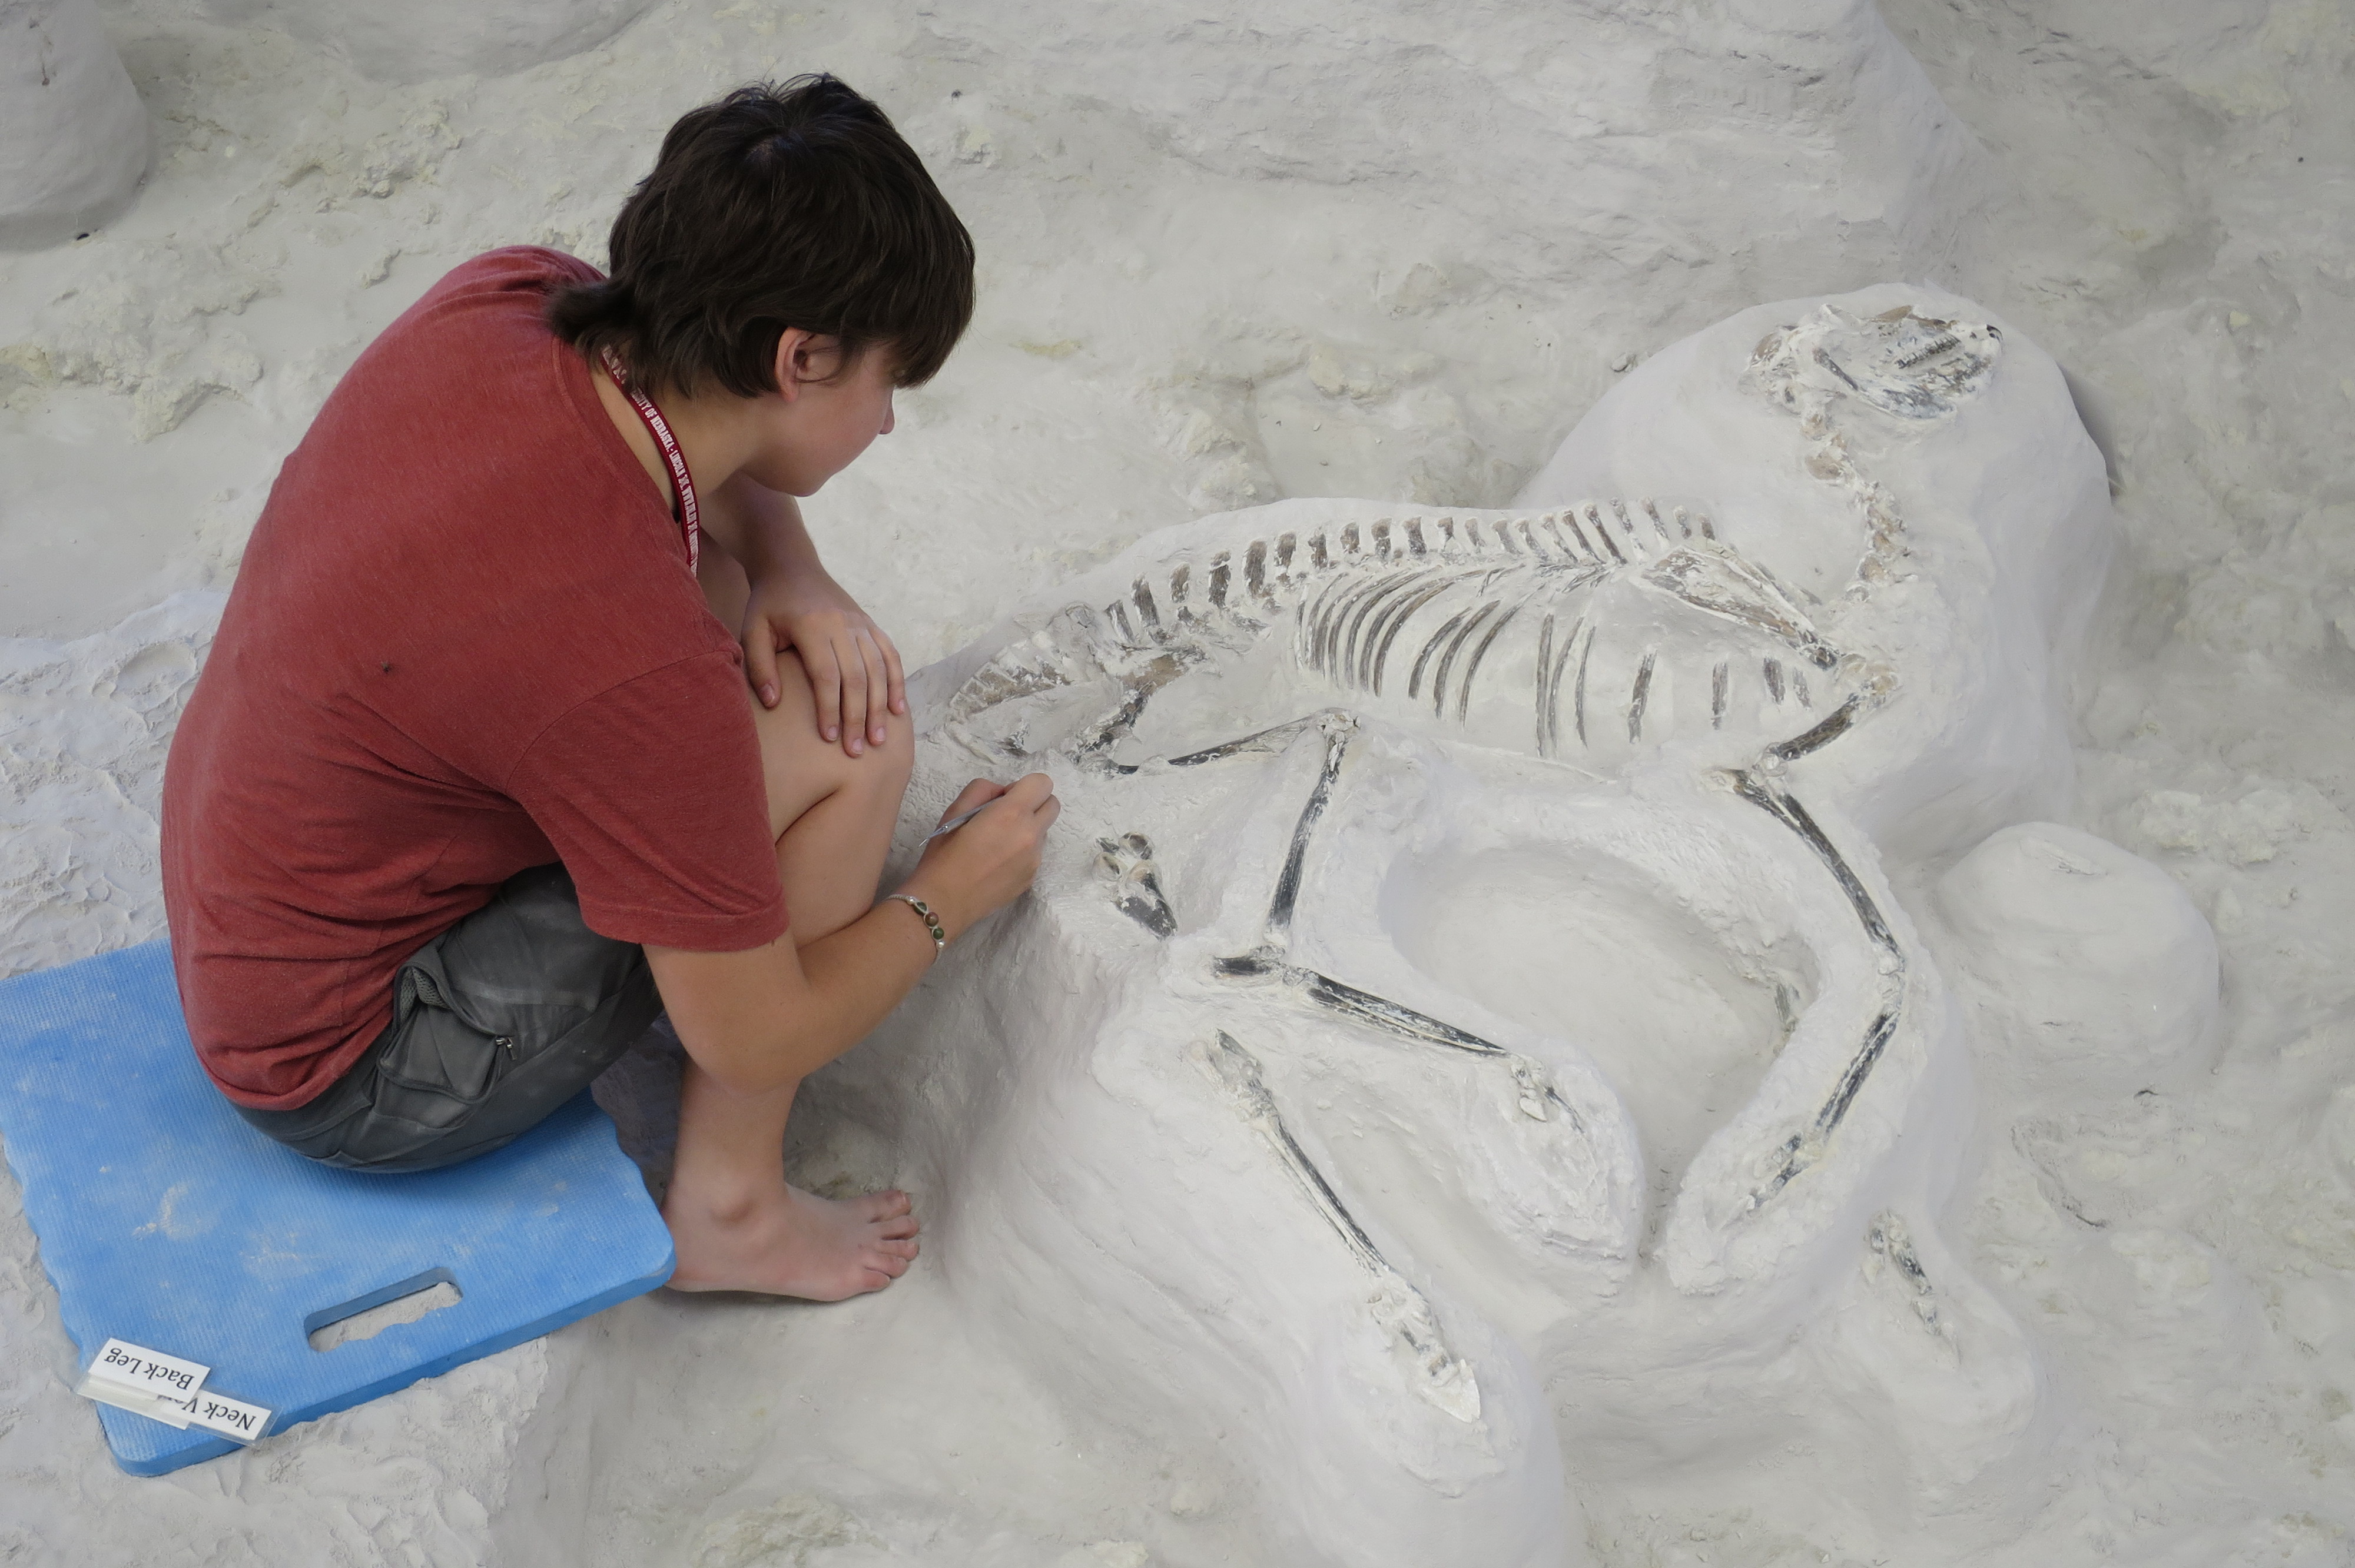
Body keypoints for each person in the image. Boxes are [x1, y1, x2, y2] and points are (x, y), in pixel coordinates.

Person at [159, 77, 1057, 1301]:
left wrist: (793, 567)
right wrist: (943, 898)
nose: (887, 425)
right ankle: (730, 1212)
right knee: (849, 744)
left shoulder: (509, 299)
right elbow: (757, 1034)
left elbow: (700, 443)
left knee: (722, 582)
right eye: (885, 384)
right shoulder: (631, 663)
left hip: (256, 908)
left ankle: (708, 1081)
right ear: (802, 357)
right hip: (355, 1068)